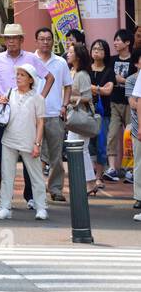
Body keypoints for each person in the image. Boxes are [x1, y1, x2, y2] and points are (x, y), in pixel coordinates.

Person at [0, 23, 52, 183]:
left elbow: (49, 78)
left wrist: (39, 99)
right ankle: (4, 193)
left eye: (14, 38)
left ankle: (30, 195)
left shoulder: (31, 58)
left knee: (28, 151)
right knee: (2, 153)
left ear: (21, 40)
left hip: (26, 111)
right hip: (4, 111)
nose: (11, 41)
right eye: (8, 38)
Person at [0, 63, 47, 220]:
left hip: (29, 142)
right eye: (17, 74)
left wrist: (37, 144)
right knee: (6, 174)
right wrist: (2, 102)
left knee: (36, 176)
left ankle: (41, 207)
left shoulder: (38, 98)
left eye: (22, 75)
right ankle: (4, 206)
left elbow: (40, 123)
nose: (18, 77)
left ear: (31, 80)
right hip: (9, 139)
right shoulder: (10, 93)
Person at [33, 27, 72, 204]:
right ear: (37, 41)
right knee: (35, 154)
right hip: (33, 115)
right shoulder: (30, 61)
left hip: (55, 114)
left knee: (56, 156)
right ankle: (37, 188)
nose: (46, 42)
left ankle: (55, 189)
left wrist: (64, 105)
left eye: (49, 39)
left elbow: (68, 86)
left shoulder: (60, 62)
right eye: (42, 39)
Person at [66, 42, 99, 196]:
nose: (68, 54)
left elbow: (87, 97)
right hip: (74, 115)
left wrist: (68, 98)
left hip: (81, 115)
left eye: (71, 52)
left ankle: (90, 182)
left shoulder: (82, 75)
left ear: (78, 56)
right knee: (75, 149)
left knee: (82, 149)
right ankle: (84, 181)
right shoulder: (71, 71)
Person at [107, 30, 134, 183]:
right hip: (114, 102)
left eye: (118, 40)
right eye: (115, 39)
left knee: (130, 136)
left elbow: (136, 80)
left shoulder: (134, 60)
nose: (116, 43)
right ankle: (112, 168)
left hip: (131, 103)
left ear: (127, 43)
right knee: (112, 134)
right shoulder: (111, 60)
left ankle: (130, 170)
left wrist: (122, 80)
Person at [90, 39, 115, 186]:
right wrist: (99, 88)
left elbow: (108, 91)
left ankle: (99, 177)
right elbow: (81, 87)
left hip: (103, 112)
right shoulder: (86, 68)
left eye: (100, 49)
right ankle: (90, 176)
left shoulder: (109, 71)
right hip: (86, 112)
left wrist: (93, 88)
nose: (96, 51)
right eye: (94, 48)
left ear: (105, 52)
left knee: (101, 145)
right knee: (87, 146)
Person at [126, 49, 141, 217]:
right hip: (138, 127)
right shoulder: (132, 80)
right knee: (138, 163)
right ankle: (138, 196)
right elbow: (134, 103)